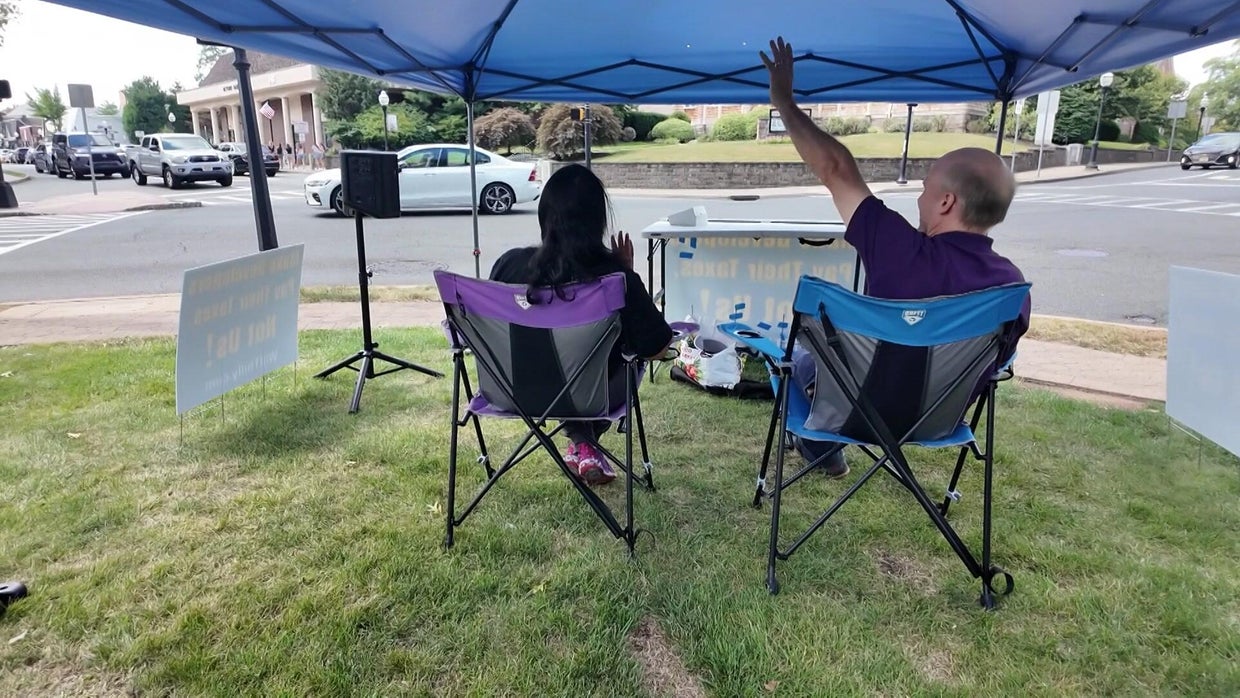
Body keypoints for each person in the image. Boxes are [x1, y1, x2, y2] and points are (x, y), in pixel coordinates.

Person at [760, 36, 1031, 479]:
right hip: (940, 422)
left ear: (946, 202)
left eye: (924, 189)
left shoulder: (899, 248)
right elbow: (991, 369)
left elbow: (837, 170)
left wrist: (783, 101)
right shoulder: (1011, 289)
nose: (919, 198)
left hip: (854, 414)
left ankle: (820, 446)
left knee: (800, 357)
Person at [489, 164, 674, 486]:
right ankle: (583, 440)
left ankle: (580, 440)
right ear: (597, 220)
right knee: (624, 361)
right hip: (594, 397)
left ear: (544, 213)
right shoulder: (614, 279)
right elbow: (657, 348)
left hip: (513, 388)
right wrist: (626, 275)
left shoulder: (508, 264)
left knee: (560, 368)